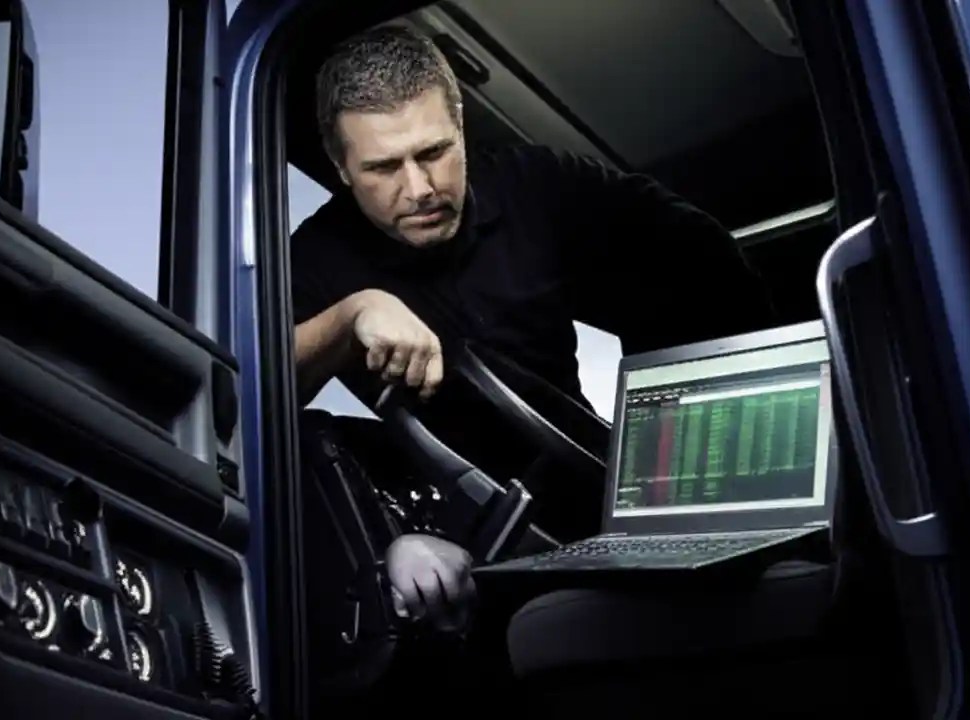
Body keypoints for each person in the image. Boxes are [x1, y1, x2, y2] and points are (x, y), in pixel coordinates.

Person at [291, 24, 776, 630]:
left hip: (595, 500)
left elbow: (700, 261)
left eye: (434, 152)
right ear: (341, 166)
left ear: (460, 127)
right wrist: (349, 316)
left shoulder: (535, 186)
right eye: (384, 167)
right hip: (456, 549)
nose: (418, 188)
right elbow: (238, 397)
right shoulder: (317, 259)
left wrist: (670, 449)